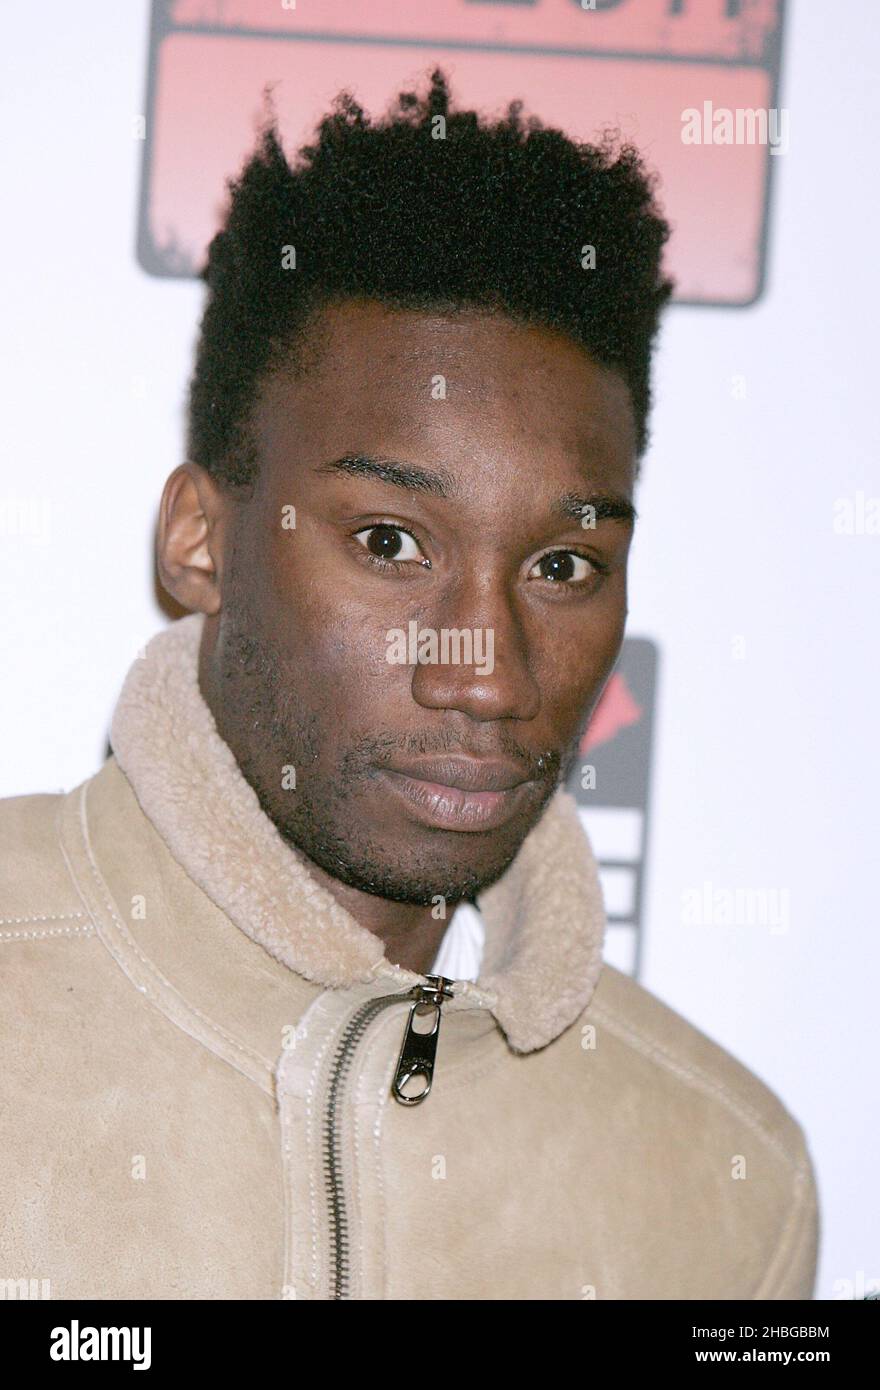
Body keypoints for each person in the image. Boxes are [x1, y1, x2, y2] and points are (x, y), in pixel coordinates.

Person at [0, 69, 818, 1300]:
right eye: (389, 541)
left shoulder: (720, 1185)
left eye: (560, 563)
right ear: (199, 540)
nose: (484, 675)